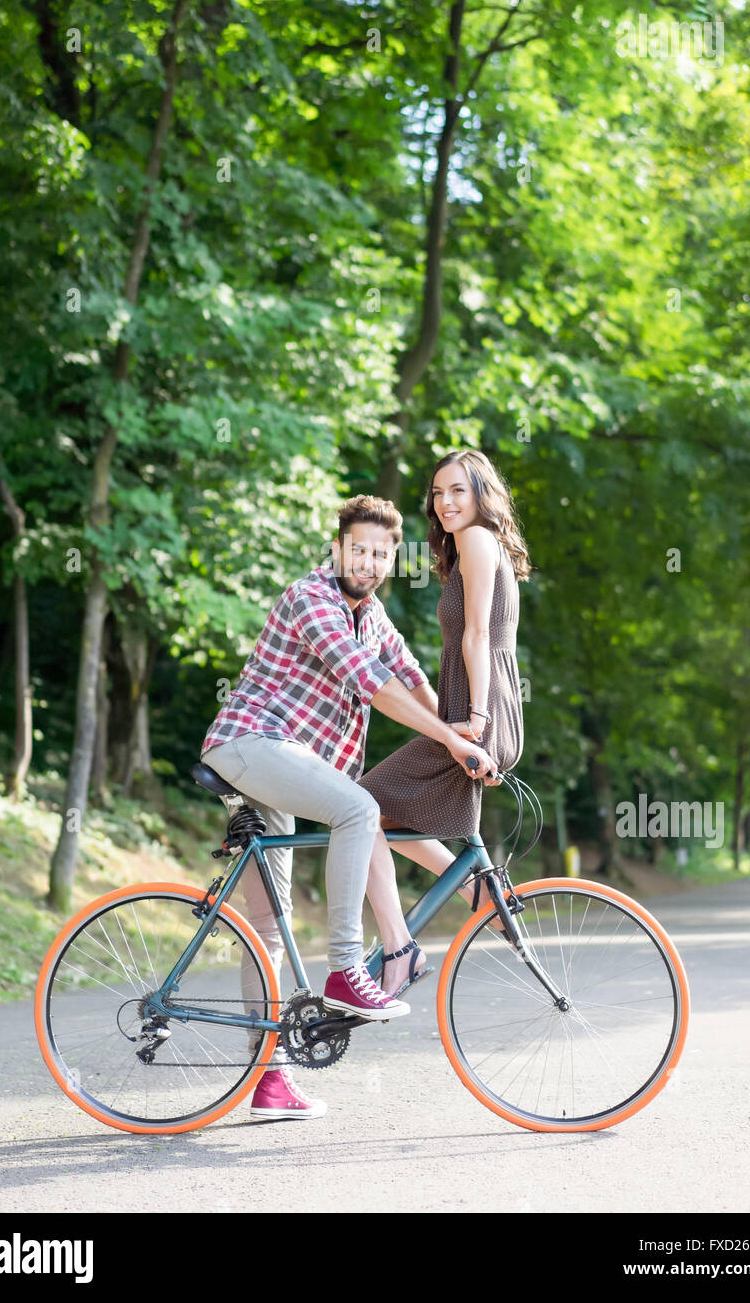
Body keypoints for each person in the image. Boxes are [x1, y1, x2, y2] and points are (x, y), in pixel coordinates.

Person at [199, 494, 498, 1120]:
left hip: (289, 766)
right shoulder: (312, 599)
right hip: (253, 744)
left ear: (390, 560)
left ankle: (269, 1081)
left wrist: (462, 734)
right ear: (337, 549)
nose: (366, 561)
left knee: (267, 931)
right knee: (359, 811)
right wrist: (447, 738)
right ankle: (344, 970)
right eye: (357, 549)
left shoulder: (373, 613)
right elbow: (369, 680)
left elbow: (409, 675)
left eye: (379, 554)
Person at [360, 451, 532, 996]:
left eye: (459, 490)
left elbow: (477, 636)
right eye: (438, 493)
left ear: (483, 494)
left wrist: (473, 722)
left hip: (479, 714)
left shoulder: (478, 539)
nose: (446, 502)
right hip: (465, 712)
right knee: (375, 817)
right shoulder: (465, 549)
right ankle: (480, 898)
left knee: (357, 806)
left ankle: (399, 949)